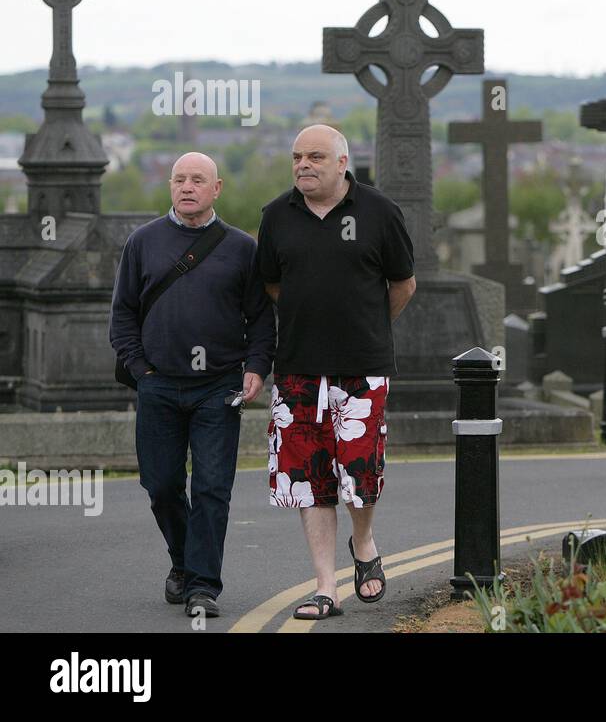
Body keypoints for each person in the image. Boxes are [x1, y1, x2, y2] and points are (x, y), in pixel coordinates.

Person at [255, 124, 416, 620]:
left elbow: (403, 284)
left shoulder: (380, 213)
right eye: (298, 156)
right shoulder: (276, 217)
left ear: (342, 162)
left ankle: (363, 541)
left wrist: (363, 326)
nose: (304, 164)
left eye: (316, 157)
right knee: (308, 478)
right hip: (298, 369)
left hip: (362, 369)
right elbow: (273, 285)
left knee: (360, 473)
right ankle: (326, 586)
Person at [110, 152, 275, 618]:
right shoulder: (143, 242)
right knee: (161, 484)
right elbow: (121, 314)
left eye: (197, 180)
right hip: (157, 385)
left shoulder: (242, 248)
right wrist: (141, 369)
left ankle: (202, 584)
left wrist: (257, 366)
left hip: (218, 387)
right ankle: (182, 562)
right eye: (179, 179)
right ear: (170, 186)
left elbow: (262, 318)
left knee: (211, 487)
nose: (187, 187)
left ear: (216, 189)